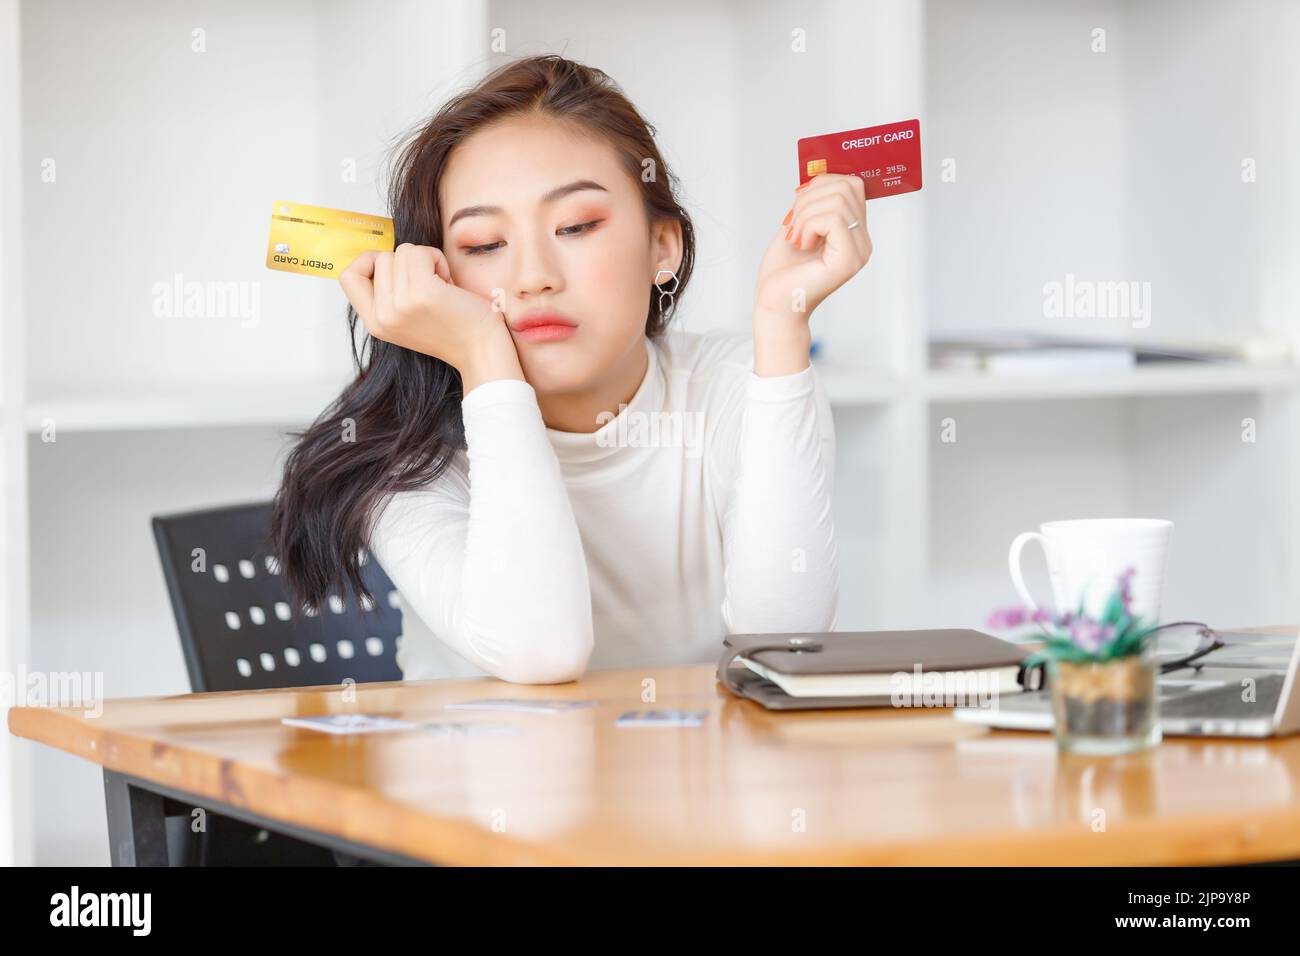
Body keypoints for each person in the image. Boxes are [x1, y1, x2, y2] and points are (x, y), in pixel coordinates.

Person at [270, 54, 872, 683]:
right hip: (473, 780)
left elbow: (783, 646)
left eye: (576, 226)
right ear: (439, 271)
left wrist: (782, 321)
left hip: (697, 778)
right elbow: (540, 653)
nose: (533, 278)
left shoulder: (741, 383)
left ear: (662, 246)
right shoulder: (397, 445)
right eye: (484, 246)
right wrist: (483, 356)